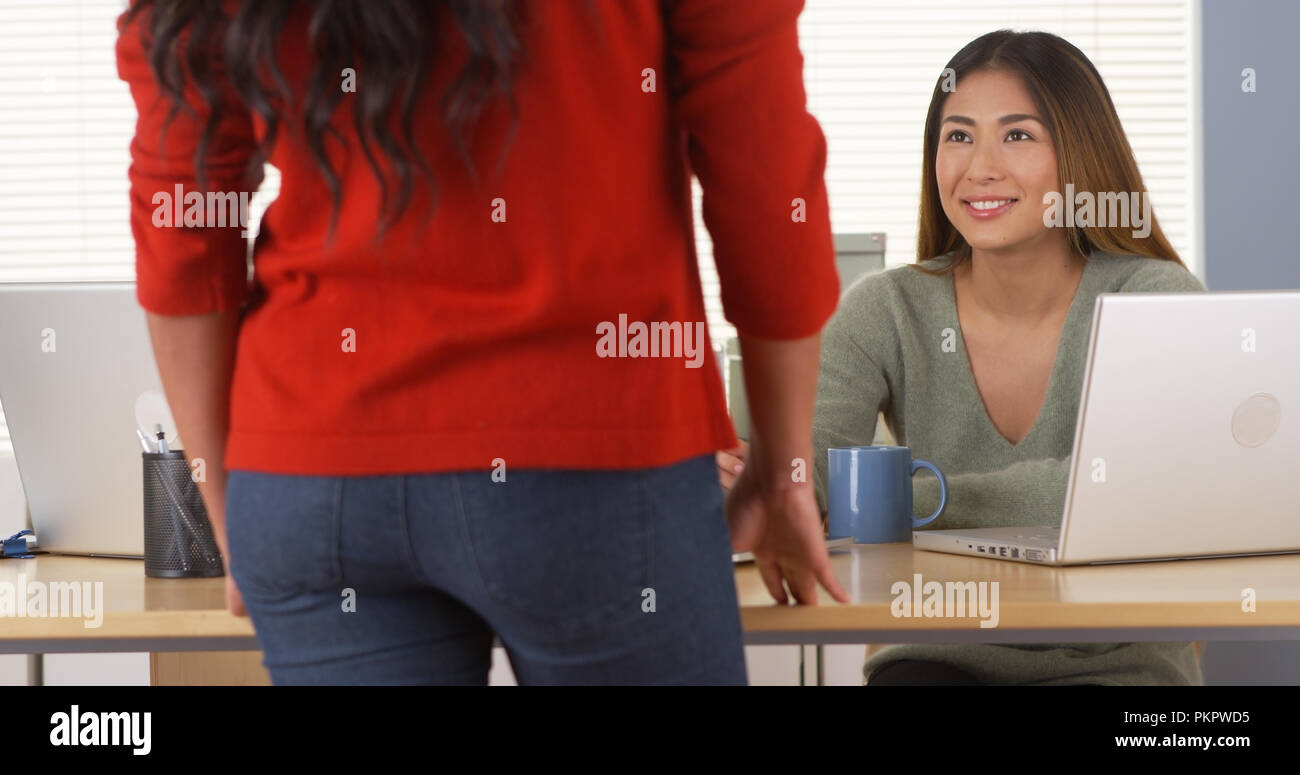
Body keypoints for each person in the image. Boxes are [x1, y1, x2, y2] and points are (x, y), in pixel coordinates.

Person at [117, 0, 847, 686]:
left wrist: (226, 505)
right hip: (591, 464)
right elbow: (764, 173)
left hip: (317, 479)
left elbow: (183, 211)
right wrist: (783, 469)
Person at [719, 30, 1205, 685]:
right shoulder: (885, 308)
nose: (980, 166)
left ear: (1080, 151)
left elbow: (1117, 490)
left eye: (1018, 135)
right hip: (935, 655)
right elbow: (812, 472)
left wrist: (905, 504)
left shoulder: (1154, 298)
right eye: (958, 135)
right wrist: (762, 482)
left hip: (1120, 665)